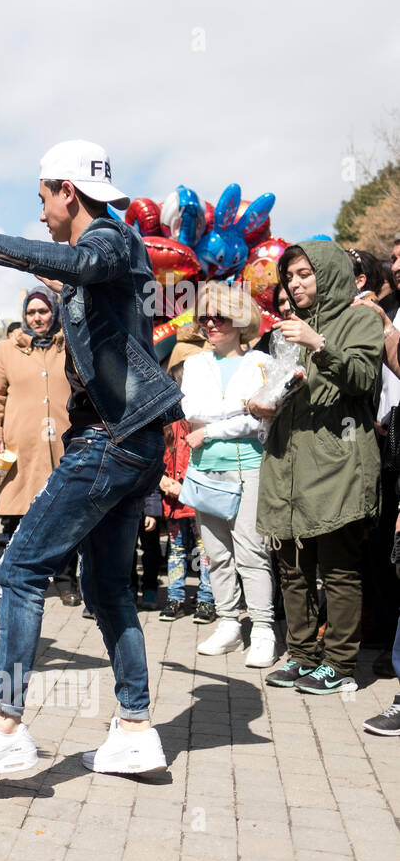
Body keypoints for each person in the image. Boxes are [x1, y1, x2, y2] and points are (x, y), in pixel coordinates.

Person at [0, 140, 183, 778]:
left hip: (109, 439)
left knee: (20, 571)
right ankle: (136, 729)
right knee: (107, 588)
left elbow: (82, 260)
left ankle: (5, 726)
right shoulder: (100, 262)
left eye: (42, 200)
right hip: (127, 438)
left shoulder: (111, 239)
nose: (40, 214)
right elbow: (78, 278)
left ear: (68, 190)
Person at [250, 241, 384, 695]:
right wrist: (263, 402)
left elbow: (363, 378)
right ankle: (303, 656)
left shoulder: (360, 318)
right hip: (288, 463)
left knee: (339, 568)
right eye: (290, 276)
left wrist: (318, 344)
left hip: (338, 463)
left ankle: (341, 663)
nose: (295, 283)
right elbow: (284, 391)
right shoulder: (288, 328)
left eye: (305, 274)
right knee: (291, 565)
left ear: (326, 274)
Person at [179, 282, 279, 667]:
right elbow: (192, 412)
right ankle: (228, 623)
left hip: (248, 468)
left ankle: (264, 629)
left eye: (219, 316)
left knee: (251, 553)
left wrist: (215, 425)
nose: (210, 324)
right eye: (205, 318)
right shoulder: (194, 363)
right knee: (217, 555)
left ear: (240, 320)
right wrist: (240, 407)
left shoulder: (262, 363)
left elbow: (260, 422)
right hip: (205, 468)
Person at [0, 285, 79, 605]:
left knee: (64, 518)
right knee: (19, 516)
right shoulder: (6, 349)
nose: (37, 318)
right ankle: (17, 578)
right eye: (31, 312)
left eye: (43, 311)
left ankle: (65, 581)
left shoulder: (71, 345)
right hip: (20, 447)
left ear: (55, 312)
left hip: (64, 445)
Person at [156, 346, 216, 624]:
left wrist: (187, 487)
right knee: (177, 549)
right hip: (173, 500)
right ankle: (175, 596)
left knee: (205, 550)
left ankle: (207, 599)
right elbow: (158, 456)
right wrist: (161, 479)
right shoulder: (166, 423)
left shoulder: (201, 421)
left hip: (197, 497)